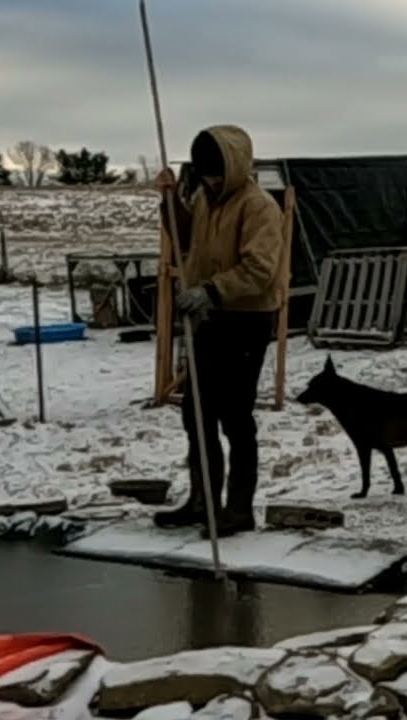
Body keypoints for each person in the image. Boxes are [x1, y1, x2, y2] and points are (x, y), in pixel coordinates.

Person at [151, 124, 286, 538]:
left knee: (235, 416)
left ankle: (238, 509)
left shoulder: (258, 207)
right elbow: (188, 238)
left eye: (216, 174)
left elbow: (260, 271)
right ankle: (201, 501)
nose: (209, 181)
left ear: (234, 167)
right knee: (196, 413)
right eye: (204, 174)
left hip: (246, 320)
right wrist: (171, 200)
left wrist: (211, 290)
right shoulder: (204, 200)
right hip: (209, 318)